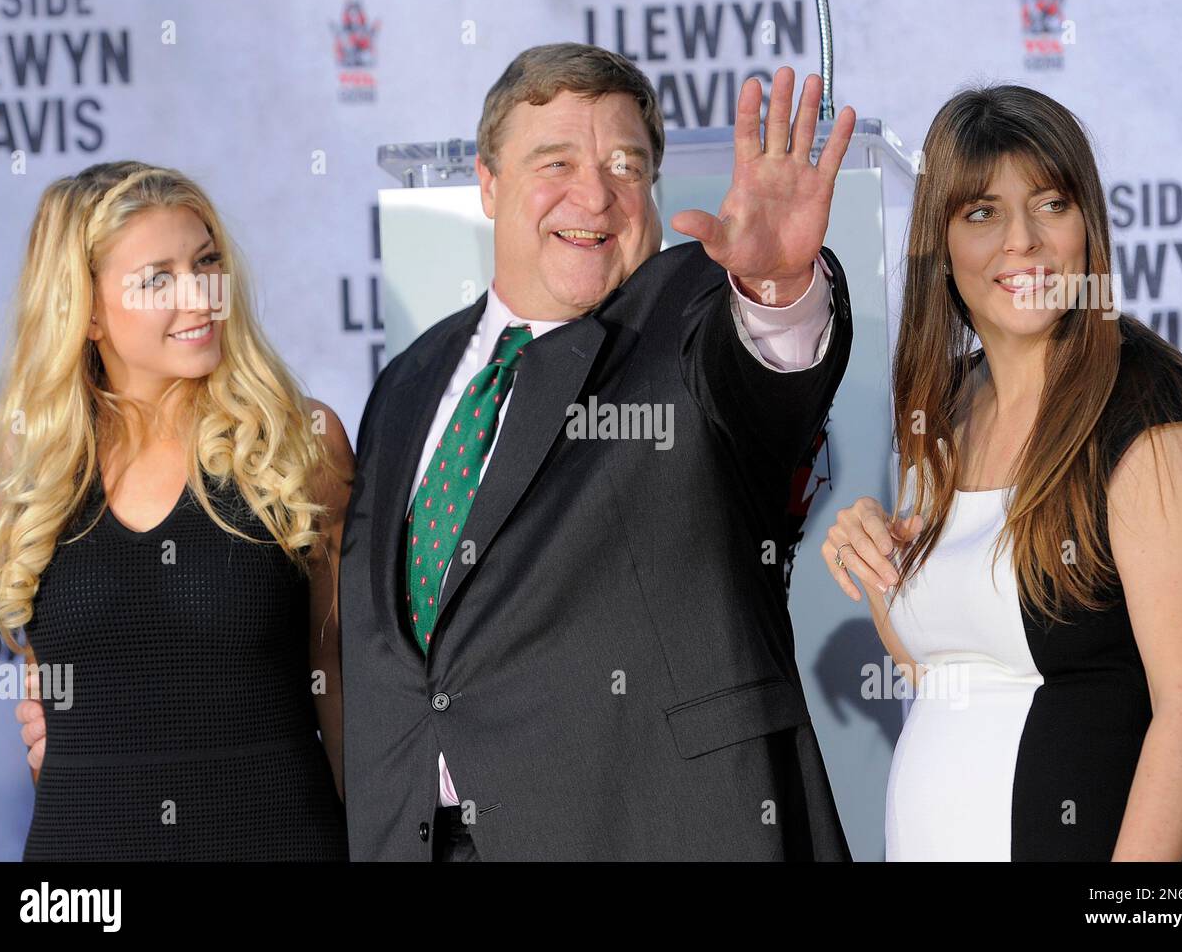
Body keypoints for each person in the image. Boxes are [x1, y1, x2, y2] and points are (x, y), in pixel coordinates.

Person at [340, 43, 857, 860]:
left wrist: (775, 289)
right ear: (486, 182)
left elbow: (765, 380)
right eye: (556, 162)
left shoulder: (687, 312)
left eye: (626, 165)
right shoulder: (409, 380)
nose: (595, 194)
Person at [820, 85, 1182, 861]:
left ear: (1088, 228)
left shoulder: (1146, 407)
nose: (1024, 242)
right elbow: (939, 672)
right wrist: (874, 555)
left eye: (1050, 205)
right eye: (982, 213)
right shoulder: (939, 411)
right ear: (940, 244)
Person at [0, 161, 353, 861]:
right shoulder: (34, 464)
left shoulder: (296, 444)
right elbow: (50, 708)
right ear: (87, 310)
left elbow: (342, 680)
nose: (201, 295)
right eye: (157, 278)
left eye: (207, 263)